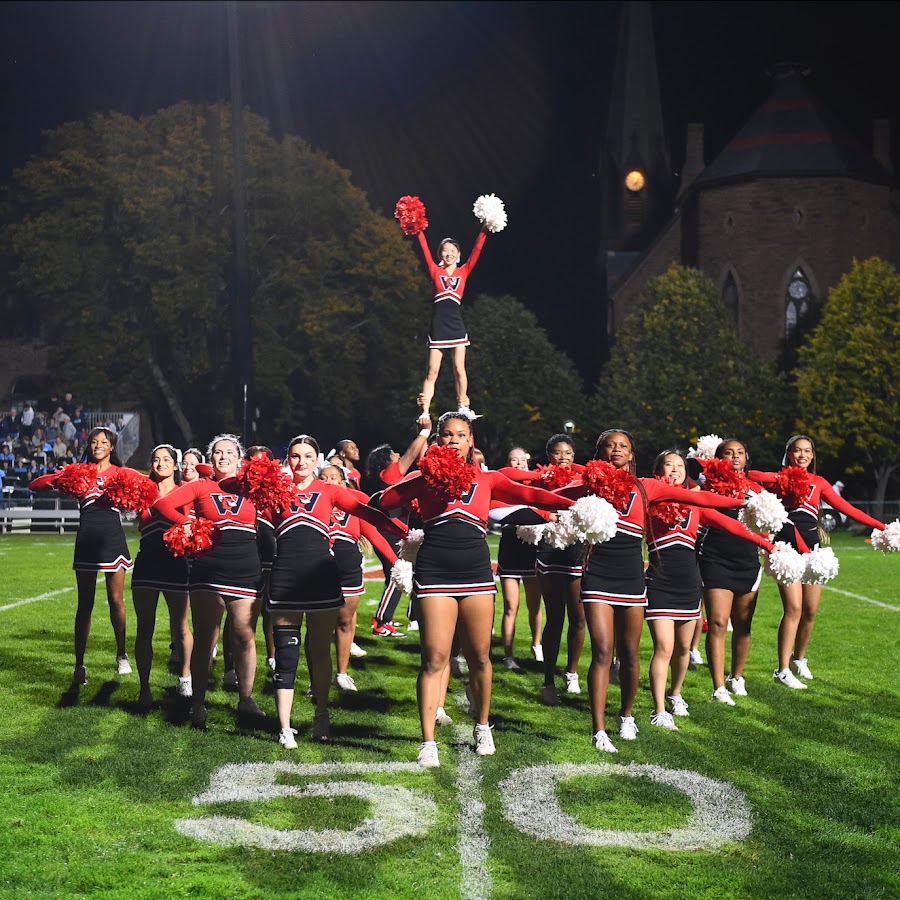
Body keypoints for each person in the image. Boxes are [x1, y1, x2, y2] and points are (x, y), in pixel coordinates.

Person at [380, 412, 573, 768]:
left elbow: (529, 493)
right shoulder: (426, 479)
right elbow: (387, 497)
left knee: (480, 656)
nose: (453, 440)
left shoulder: (488, 479)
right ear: (438, 441)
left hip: (476, 575)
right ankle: (428, 743)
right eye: (447, 435)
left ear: (471, 441)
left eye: (460, 435)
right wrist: (411, 487)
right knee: (435, 658)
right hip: (435, 573)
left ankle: (483, 725)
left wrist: (571, 504)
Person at [561, 430, 745, 753]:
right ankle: (598, 729)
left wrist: (738, 501)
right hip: (598, 575)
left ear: (632, 454)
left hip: (631, 576)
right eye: (610, 445)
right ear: (601, 451)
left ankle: (626, 715)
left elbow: (698, 498)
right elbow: (554, 495)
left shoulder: (646, 487)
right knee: (603, 650)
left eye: (623, 446)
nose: (616, 449)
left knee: (630, 653)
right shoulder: (590, 485)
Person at [260, 435, 405, 748]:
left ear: (317, 459)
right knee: (286, 652)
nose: (301, 462)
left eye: (308, 456)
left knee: (318, 649)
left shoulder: (329, 490)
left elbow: (368, 514)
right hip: (285, 576)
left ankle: (321, 713)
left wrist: (403, 532)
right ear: (288, 459)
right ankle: (284, 727)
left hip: (322, 578)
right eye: (295, 456)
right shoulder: (274, 491)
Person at [645, 450, 777, 728]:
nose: (674, 470)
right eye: (668, 465)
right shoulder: (649, 498)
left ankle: (675, 694)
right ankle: (659, 710)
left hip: (689, 583)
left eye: (679, 465)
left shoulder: (695, 504)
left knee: (683, 648)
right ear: (658, 470)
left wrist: (766, 543)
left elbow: (732, 526)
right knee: (664, 648)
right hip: (660, 581)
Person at [749, 435, 888, 686]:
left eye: (808, 451)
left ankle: (798, 659)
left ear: (813, 456)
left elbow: (848, 509)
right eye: (797, 451)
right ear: (788, 454)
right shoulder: (779, 481)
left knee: (810, 612)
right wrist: (781, 478)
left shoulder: (819, 482)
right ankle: (782, 670)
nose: (803, 455)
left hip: (813, 551)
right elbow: (752, 476)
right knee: (793, 609)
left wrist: (880, 526)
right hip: (786, 551)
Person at [151, 434, 262, 729]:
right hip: (208, 568)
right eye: (217, 453)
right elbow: (161, 506)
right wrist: (185, 522)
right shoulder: (200, 485)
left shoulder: (252, 487)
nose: (223, 456)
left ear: (240, 459)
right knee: (206, 638)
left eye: (229, 452)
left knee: (244, 636)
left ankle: (246, 699)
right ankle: (198, 703)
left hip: (245, 566)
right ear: (210, 459)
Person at [30, 426, 135, 685]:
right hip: (87, 539)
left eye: (104, 442)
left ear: (112, 447)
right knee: (84, 605)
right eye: (94, 442)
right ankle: (79, 665)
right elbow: (36, 484)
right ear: (89, 447)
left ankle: (121, 654)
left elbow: (147, 482)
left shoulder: (121, 473)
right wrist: (60, 477)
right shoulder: (80, 473)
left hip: (112, 537)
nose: (98, 445)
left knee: (116, 600)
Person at [695, 439, 770, 704]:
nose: (735, 457)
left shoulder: (757, 491)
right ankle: (718, 687)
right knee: (717, 623)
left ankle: (736, 677)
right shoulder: (707, 486)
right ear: (719, 459)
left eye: (740, 452)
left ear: (746, 458)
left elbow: (770, 522)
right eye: (728, 453)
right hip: (715, 558)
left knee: (743, 625)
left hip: (747, 560)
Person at [319, 464, 401, 691]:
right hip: (320, 567)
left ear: (343, 482)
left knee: (345, 622)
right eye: (323, 477)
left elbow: (374, 533)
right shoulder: (313, 502)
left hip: (349, 568)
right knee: (321, 627)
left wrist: (396, 562)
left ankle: (342, 673)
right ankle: (318, 678)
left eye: (334, 477)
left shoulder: (354, 502)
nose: (329, 481)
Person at [131, 444, 193, 708]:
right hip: (147, 562)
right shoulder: (142, 492)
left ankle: (185, 677)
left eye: (166, 459)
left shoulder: (185, 492)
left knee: (180, 626)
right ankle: (144, 688)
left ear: (176, 465)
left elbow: (189, 524)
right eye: (156, 459)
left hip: (176, 562)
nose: (161, 463)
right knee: (144, 627)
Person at [526, 434, 585, 704]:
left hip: (576, 550)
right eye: (559, 453)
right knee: (555, 616)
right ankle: (548, 679)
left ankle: (571, 672)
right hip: (550, 549)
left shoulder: (584, 478)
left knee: (579, 616)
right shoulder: (540, 479)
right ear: (549, 455)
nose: (564, 457)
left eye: (569, 453)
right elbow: (526, 500)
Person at [412, 226, 488, 417]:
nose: (449, 253)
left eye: (452, 251)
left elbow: (477, 250)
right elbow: (424, 249)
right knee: (432, 371)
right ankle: (425, 411)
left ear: (459, 255)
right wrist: (417, 229)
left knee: (459, 368)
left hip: (456, 324)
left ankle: (462, 405)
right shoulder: (435, 271)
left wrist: (486, 227)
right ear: (440, 254)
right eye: (445, 250)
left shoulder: (463, 272)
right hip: (438, 325)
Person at [365, 426, 431, 635]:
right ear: (386, 460)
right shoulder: (388, 474)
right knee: (397, 575)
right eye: (394, 453)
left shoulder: (391, 477)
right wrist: (425, 431)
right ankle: (381, 622)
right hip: (389, 531)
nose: (398, 455)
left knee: (402, 574)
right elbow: (412, 453)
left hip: (395, 530)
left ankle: (399, 618)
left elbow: (423, 461)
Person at [491, 446, 545, 670]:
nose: (519, 463)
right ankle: (508, 654)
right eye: (514, 460)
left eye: (522, 459)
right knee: (511, 605)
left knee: (535, 603)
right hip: (511, 549)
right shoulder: (503, 485)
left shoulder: (538, 485)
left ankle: (537, 645)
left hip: (532, 548)